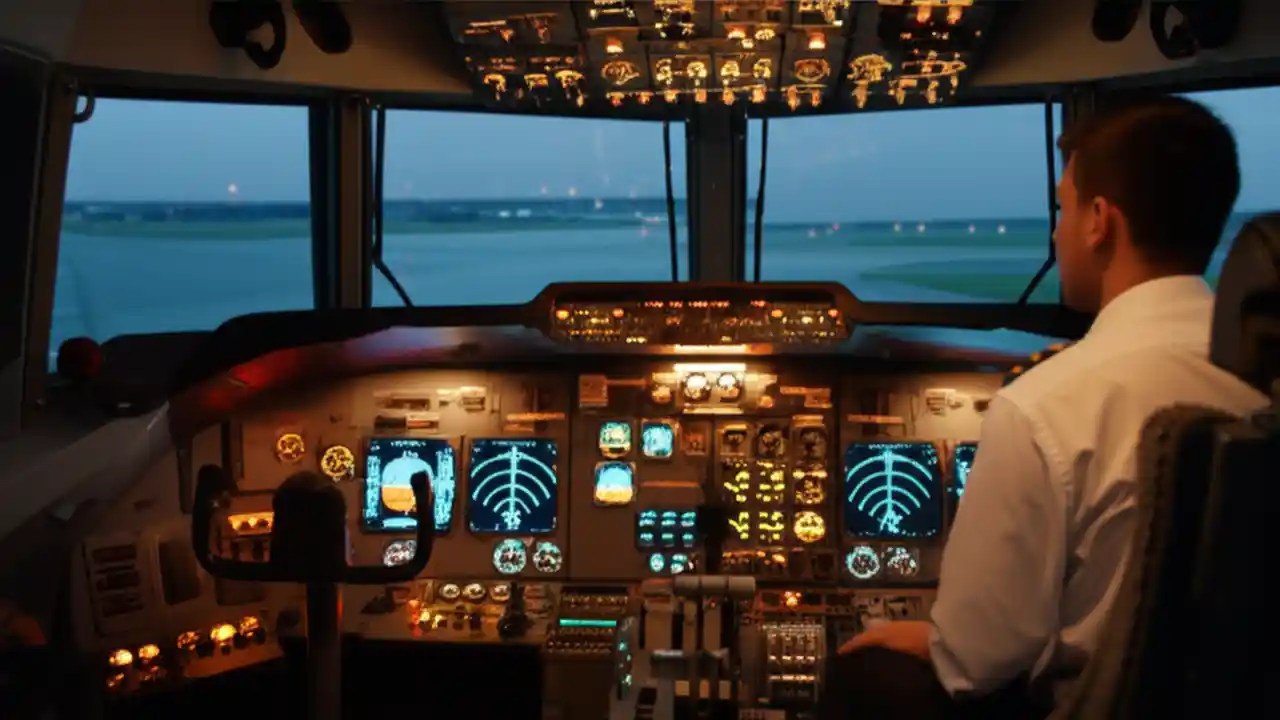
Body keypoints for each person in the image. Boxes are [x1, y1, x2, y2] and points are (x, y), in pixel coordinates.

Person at [821, 96, 1270, 719]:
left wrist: (934, 638)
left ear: (1099, 222)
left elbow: (976, 661)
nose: (1058, 231)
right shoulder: (1262, 385)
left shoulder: (1046, 406)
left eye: (1063, 207)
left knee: (869, 673)